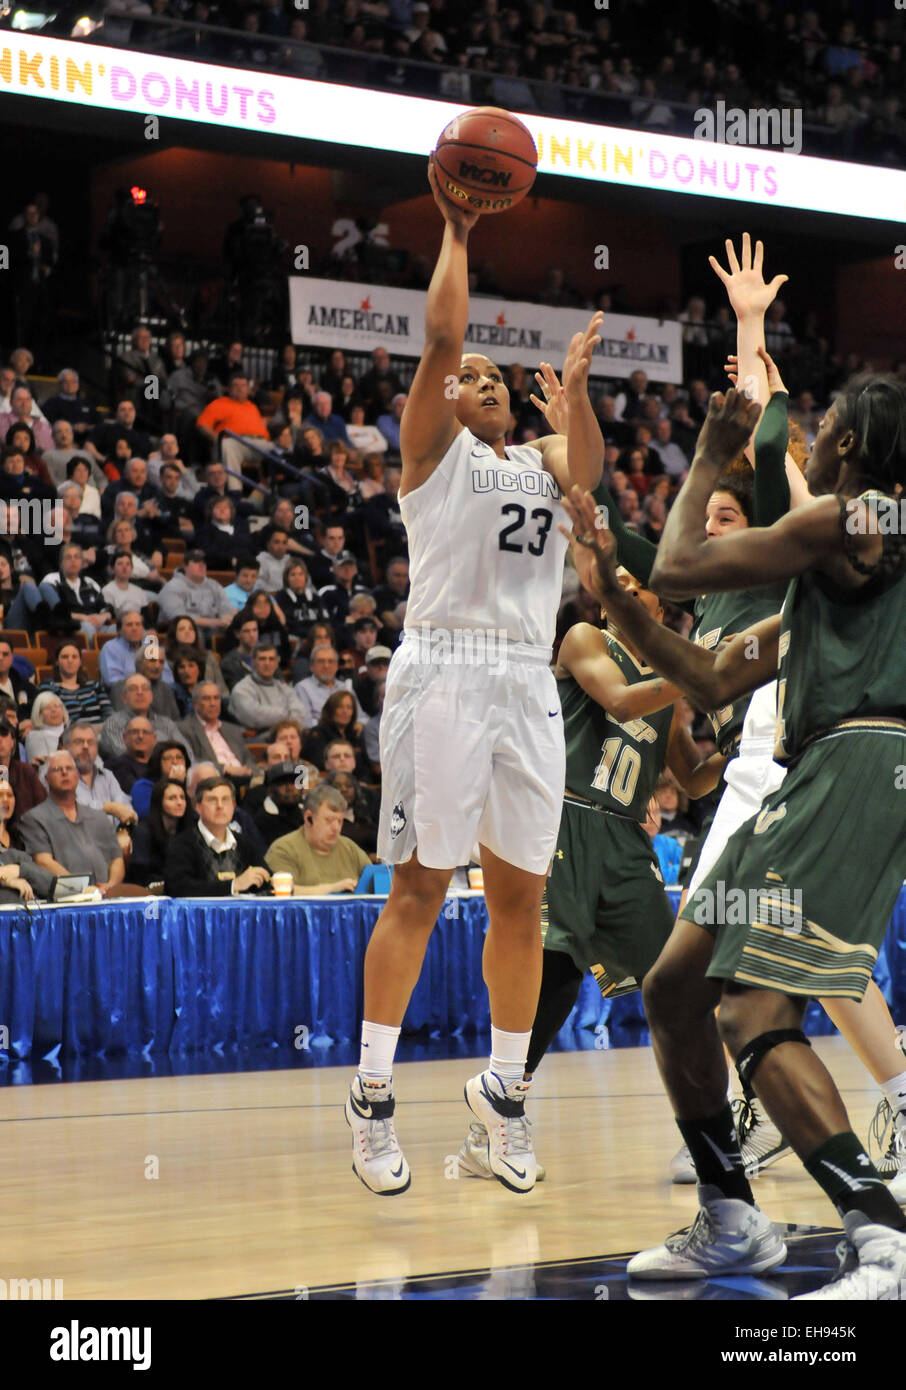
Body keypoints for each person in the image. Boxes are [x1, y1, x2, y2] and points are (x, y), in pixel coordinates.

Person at [570, 373, 906, 1297]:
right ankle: (732, 1213)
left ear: (858, 445)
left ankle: (883, 1237)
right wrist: (614, 592)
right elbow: (715, 676)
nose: (814, 434)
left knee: (752, 1010)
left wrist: (712, 451)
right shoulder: (836, 571)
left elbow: (678, 566)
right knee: (677, 984)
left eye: (828, 424)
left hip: (853, 767)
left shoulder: (848, 521)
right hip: (805, 778)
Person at [345, 157, 604, 1198]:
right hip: (445, 669)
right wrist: (456, 228)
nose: (484, 383)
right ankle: (370, 1097)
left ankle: (504, 1096)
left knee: (523, 903)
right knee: (416, 889)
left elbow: (584, 475)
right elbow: (445, 341)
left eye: (503, 380)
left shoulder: (543, 463)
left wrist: (576, 396)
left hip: (526, 677)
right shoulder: (430, 451)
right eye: (473, 380)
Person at [454, 557, 722, 1179]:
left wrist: (748, 756)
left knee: (676, 983)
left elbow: (692, 777)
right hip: (563, 823)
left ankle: (711, 1132)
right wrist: (704, 670)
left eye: (633, 586)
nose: (616, 593)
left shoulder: (668, 687)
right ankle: (495, 1120)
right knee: (552, 973)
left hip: (627, 843)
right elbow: (623, 703)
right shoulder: (585, 640)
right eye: (612, 586)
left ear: (660, 605)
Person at [19, 749, 124, 894]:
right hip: (66, 903)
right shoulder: (34, 818)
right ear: (46, 779)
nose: (64, 772)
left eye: (69, 768)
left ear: (77, 775)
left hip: (107, 898)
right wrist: (84, 889)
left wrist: (111, 886)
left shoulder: (98, 817)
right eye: (57, 769)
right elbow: (43, 861)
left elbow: (117, 858)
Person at [164, 776, 270, 897]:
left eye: (225, 799)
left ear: (234, 805)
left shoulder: (244, 843)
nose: (220, 806)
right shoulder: (182, 845)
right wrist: (233, 885)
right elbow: (178, 888)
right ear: (197, 807)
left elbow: (266, 880)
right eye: (212, 800)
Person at [266, 783, 369, 894]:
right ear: (308, 818)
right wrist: (333, 888)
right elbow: (282, 892)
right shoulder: (283, 849)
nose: (336, 828)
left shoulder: (350, 848)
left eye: (340, 821)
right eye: (329, 820)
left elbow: (374, 881)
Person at [58, 721, 135, 827]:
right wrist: (109, 808)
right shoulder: (56, 775)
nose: (85, 746)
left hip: (111, 840)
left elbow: (124, 806)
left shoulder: (107, 776)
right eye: (79, 742)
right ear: (65, 748)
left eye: (90, 742)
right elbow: (71, 810)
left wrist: (122, 831)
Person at [177, 682, 256, 779]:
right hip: (215, 779)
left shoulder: (232, 729)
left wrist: (249, 770)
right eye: (206, 698)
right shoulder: (184, 729)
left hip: (245, 777)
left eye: (216, 698)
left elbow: (248, 757)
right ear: (195, 704)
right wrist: (225, 769)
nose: (212, 703)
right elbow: (192, 760)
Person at [228, 641, 308, 735]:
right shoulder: (241, 689)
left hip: (286, 736)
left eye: (271, 659)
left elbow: (301, 715)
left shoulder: (284, 688)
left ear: (277, 662)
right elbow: (254, 717)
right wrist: (287, 713)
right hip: (256, 739)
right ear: (253, 662)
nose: (267, 663)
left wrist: (275, 717)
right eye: (262, 659)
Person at [129, 778, 190, 887]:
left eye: (182, 797)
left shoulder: (189, 830)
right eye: (172, 798)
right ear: (159, 801)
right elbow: (140, 874)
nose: (179, 802)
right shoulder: (143, 832)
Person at [157, 551, 237, 633]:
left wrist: (226, 617)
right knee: (193, 630)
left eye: (204, 562)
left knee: (236, 629)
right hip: (177, 631)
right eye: (196, 562)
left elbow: (226, 607)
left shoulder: (213, 585)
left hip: (212, 628)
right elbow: (179, 617)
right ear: (185, 566)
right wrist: (217, 622)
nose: (201, 565)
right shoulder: (172, 587)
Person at [38, 642, 112, 726]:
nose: (70, 660)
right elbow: (51, 719)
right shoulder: (48, 687)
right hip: (69, 735)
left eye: (74, 657)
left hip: (100, 733)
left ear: (80, 662)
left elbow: (108, 713)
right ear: (57, 662)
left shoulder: (94, 685)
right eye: (65, 657)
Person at [294, 643, 364, 726]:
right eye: (321, 661)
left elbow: (362, 717)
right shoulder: (302, 688)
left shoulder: (345, 687)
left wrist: (360, 723)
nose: (326, 666)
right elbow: (306, 723)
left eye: (331, 661)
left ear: (337, 666)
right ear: (311, 666)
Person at [301, 690, 367, 774]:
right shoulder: (317, 734)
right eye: (340, 707)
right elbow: (319, 766)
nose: (345, 711)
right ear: (331, 710)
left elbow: (364, 767)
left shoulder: (355, 734)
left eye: (349, 707)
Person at [164, 615, 228, 694]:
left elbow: (222, 688)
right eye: (182, 629)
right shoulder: (165, 658)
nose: (187, 632)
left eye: (191, 629)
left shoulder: (208, 657)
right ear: (173, 634)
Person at [130, 738, 190, 820]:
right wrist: (173, 784)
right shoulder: (143, 786)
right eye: (168, 758)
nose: (175, 762)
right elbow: (145, 813)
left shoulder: (192, 784)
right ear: (158, 763)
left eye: (179, 757)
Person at [251, 760, 306, 846]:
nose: (289, 788)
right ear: (270, 789)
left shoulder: (309, 815)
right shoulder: (262, 822)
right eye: (282, 783)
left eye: (294, 782)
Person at [98, 610, 149, 688]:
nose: (134, 628)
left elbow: (167, 678)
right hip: (121, 693)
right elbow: (113, 682)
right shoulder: (110, 648)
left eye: (138, 624)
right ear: (119, 630)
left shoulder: (150, 648)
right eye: (129, 625)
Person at [24, 691, 68, 763]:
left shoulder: (72, 732)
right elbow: (42, 769)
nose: (54, 710)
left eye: (57, 706)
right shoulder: (35, 737)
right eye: (47, 708)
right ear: (39, 714)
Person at [219, 615, 258, 689]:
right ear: (237, 634)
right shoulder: (228, 662)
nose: (252, 635)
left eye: (255, 630)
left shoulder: (267, 654)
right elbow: (237, 690)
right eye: (247, 631)